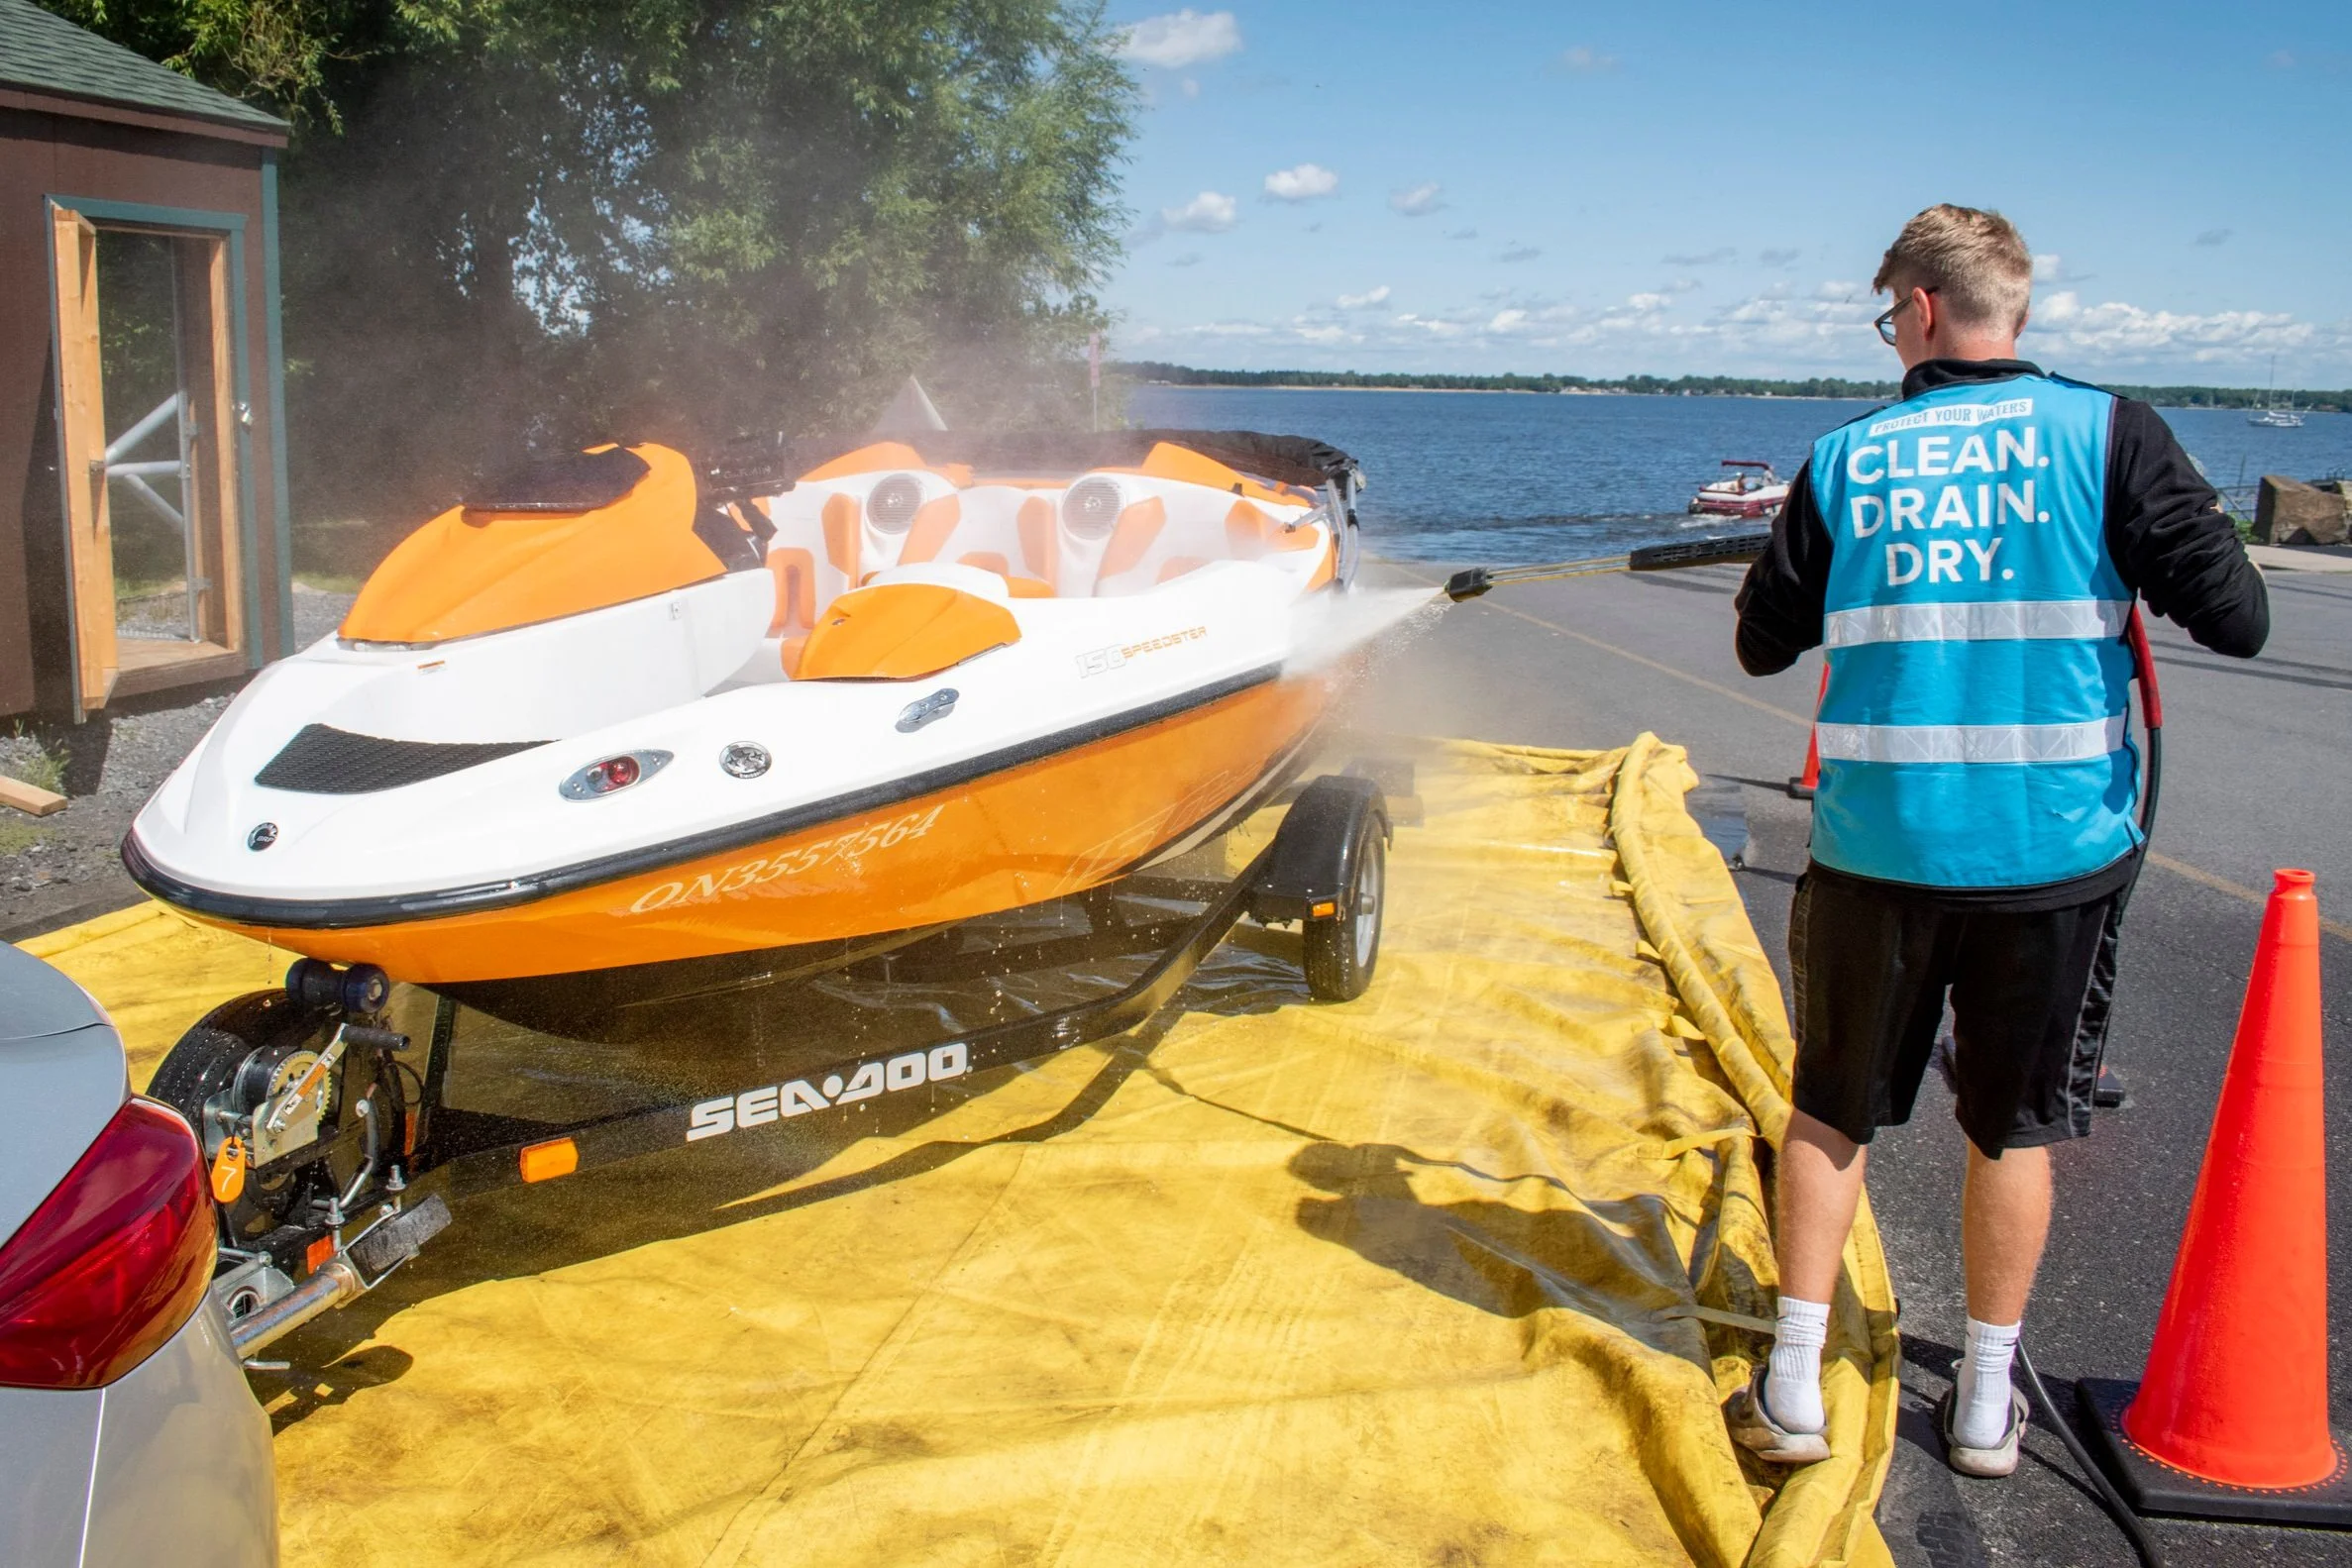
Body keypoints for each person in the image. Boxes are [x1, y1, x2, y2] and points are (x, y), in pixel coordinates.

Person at [1726, 204, 2268, 1477]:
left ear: (1918, 310)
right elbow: (2234, 616)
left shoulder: (1848, 456)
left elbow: (1761, 639)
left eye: (1885, 316)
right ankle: (1980, 1400)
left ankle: (1794, 1381)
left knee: (1830, 1109)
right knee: (2010, 1126)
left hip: (1877, 847)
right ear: (2009, 309)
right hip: (2051, 853)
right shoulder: (2108, 433)